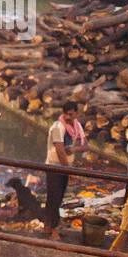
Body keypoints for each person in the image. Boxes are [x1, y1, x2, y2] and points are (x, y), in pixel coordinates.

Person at [43, 101, 86, 239]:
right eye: (66, 114)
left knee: (58, 197)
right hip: (54, 167)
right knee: (54, 198)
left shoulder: (77, 126)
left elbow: (86, 146)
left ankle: (48, 226)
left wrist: (74, 149)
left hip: (66, 167)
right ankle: (53, 230)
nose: (68, 117)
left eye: (71, 114)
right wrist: (70, 172)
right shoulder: (57, 127)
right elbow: (60, 151)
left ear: (76, 114)